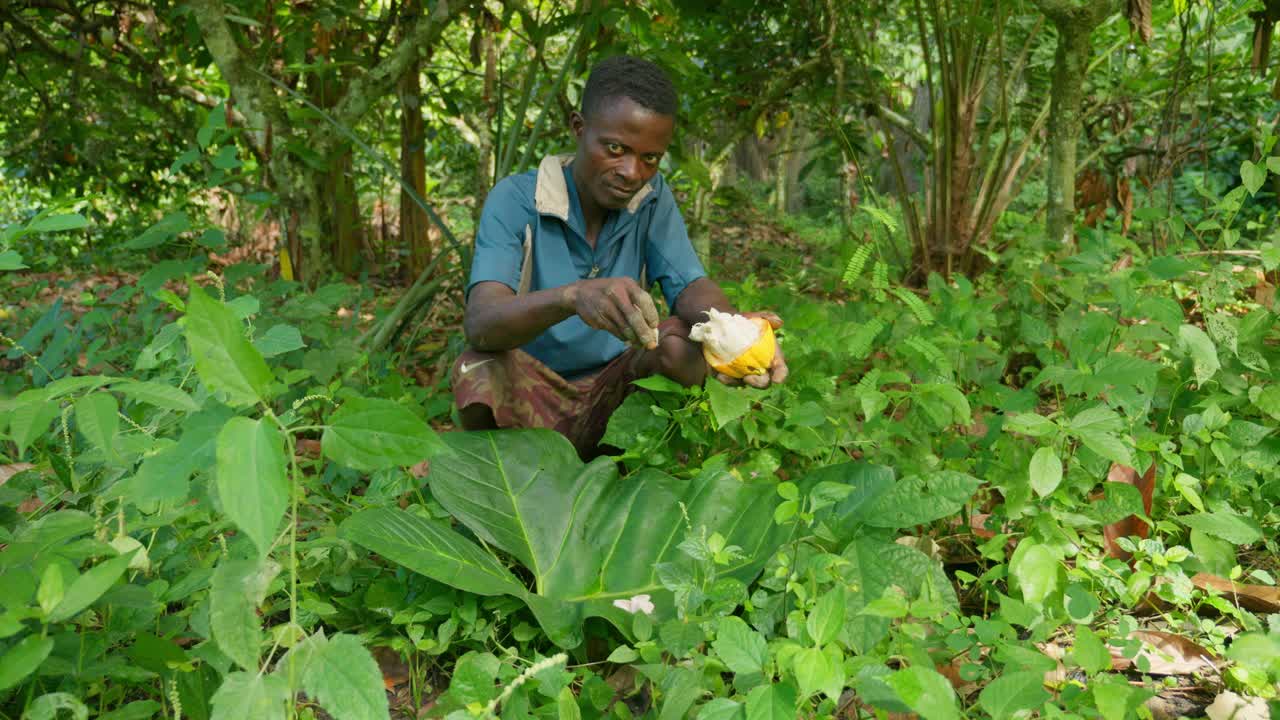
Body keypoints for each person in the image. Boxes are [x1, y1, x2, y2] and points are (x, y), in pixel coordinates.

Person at [452, 55, 788, 458]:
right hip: (530, 386)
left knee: (678, 346)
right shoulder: (517, 199)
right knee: (478, 369)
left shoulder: (650, 198)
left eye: (650, 158)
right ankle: (499, 478)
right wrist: (572, 297)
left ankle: (636, 466)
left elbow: (689, 286)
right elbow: (482, 322)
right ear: (578, 128)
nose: (632, 172)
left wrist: (737, 332)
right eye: (615, 148)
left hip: (616, 387)